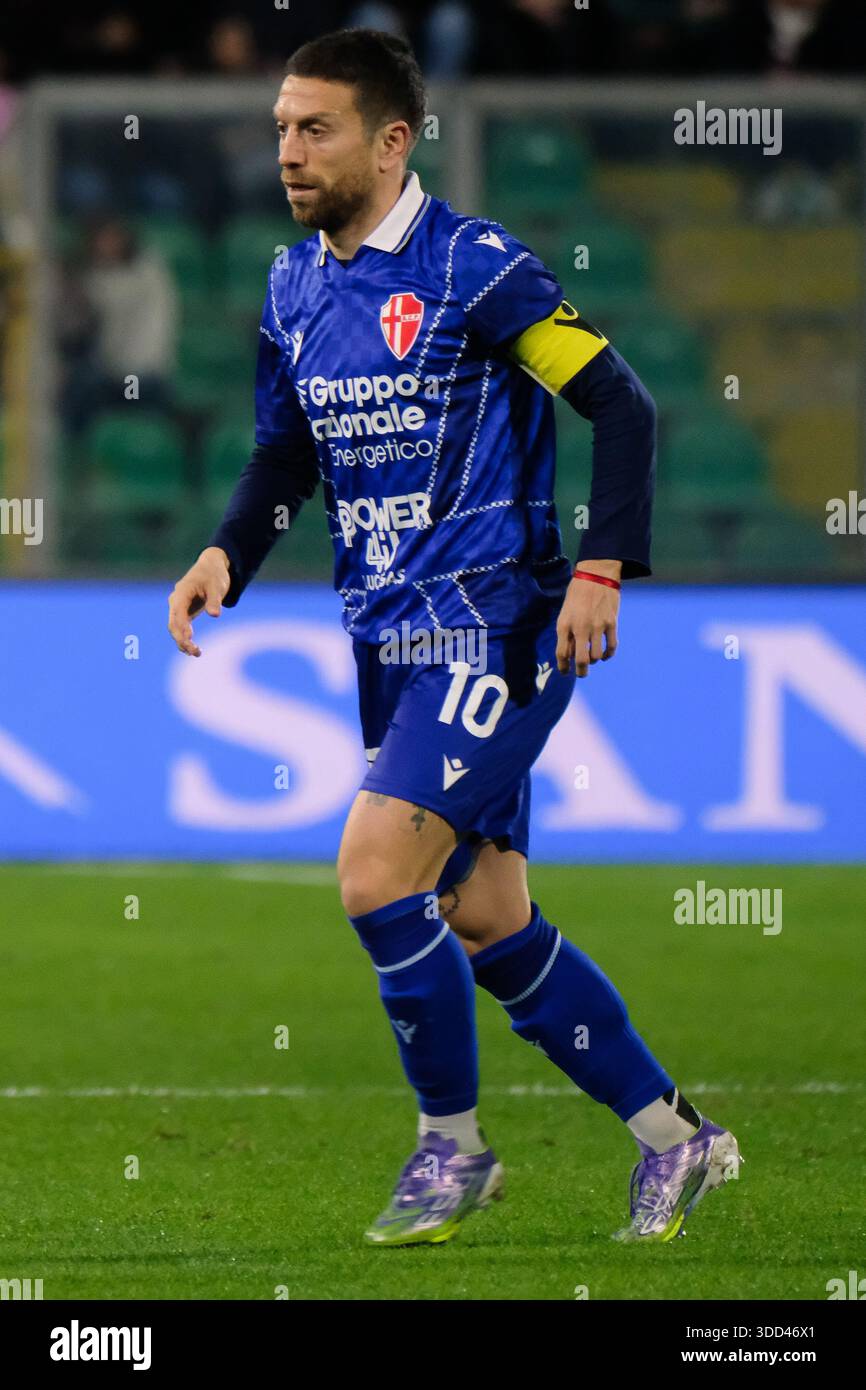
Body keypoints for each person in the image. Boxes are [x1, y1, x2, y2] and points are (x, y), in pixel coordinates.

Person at [167, 27, 741, 1246]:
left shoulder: (476, 268)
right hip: (387, 639)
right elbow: (285, 454)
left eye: (314, 127)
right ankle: (677, 1139)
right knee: (486, 920)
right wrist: (230, 549)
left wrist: (600, 565)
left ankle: (452, 1149)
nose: (287, 149)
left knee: (374, 872)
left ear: (391, 139)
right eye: (279, 125)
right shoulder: (289, 288)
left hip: (495, 627)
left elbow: (617, 401)